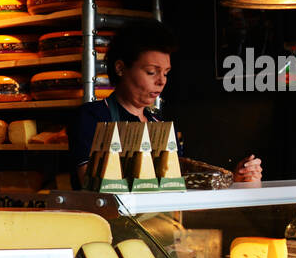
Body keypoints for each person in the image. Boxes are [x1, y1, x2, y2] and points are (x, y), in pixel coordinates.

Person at [69, 19, 263, 188]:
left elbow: (179, 183)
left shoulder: (158, 124)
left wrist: (233, 179)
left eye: (166, 73)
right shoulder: (92, 117)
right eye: (152, 72)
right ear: (120, 68)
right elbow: (91, 183)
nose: (161, 81)